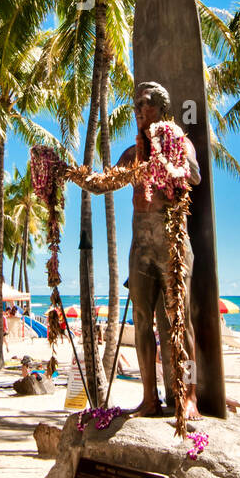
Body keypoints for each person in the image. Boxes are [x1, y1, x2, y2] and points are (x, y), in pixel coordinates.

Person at [63, 82, 201, 420]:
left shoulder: (178, 142)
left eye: (144, 104)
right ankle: (149, 398)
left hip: (172, 244)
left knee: (180, 324)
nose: (138, 110)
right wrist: (70, 173)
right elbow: (104, 183)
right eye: (136, 104)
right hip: (140, 247)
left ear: (161, 109)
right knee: (141, 321)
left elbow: (194, 176)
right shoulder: (132, 153)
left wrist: (169, 165)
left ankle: (189, 396)